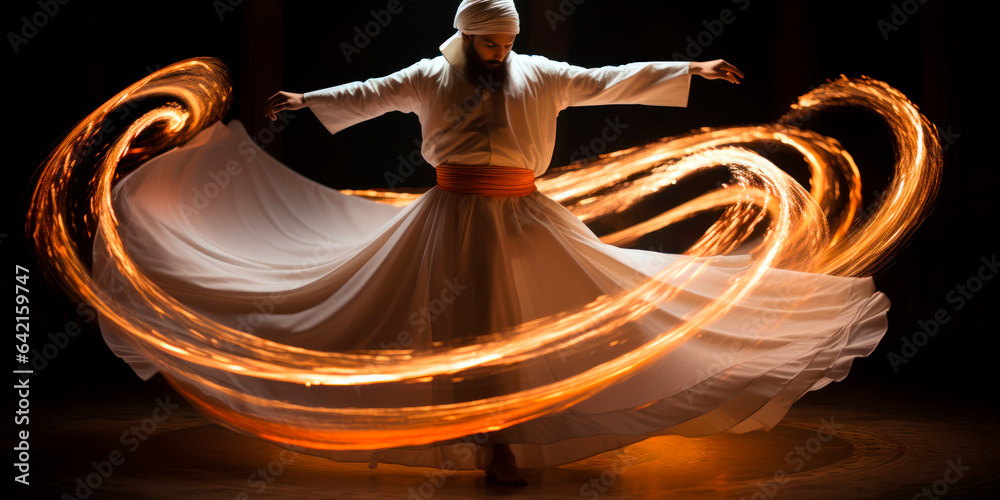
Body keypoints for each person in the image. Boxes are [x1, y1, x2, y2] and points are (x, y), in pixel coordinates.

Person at [87, 0, 887, 491]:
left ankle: (508, 439)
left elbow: (609, 78)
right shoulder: (431, 75)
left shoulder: (541, 73)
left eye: (505, 42)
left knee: (548, 319)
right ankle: (484, 440)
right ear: (467, 38)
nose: (499, 52)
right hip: (451, 214)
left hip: (523, 213)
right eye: (487, 42)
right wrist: (309, 99)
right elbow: (376, 92)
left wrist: (693, 67)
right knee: (454, 326)